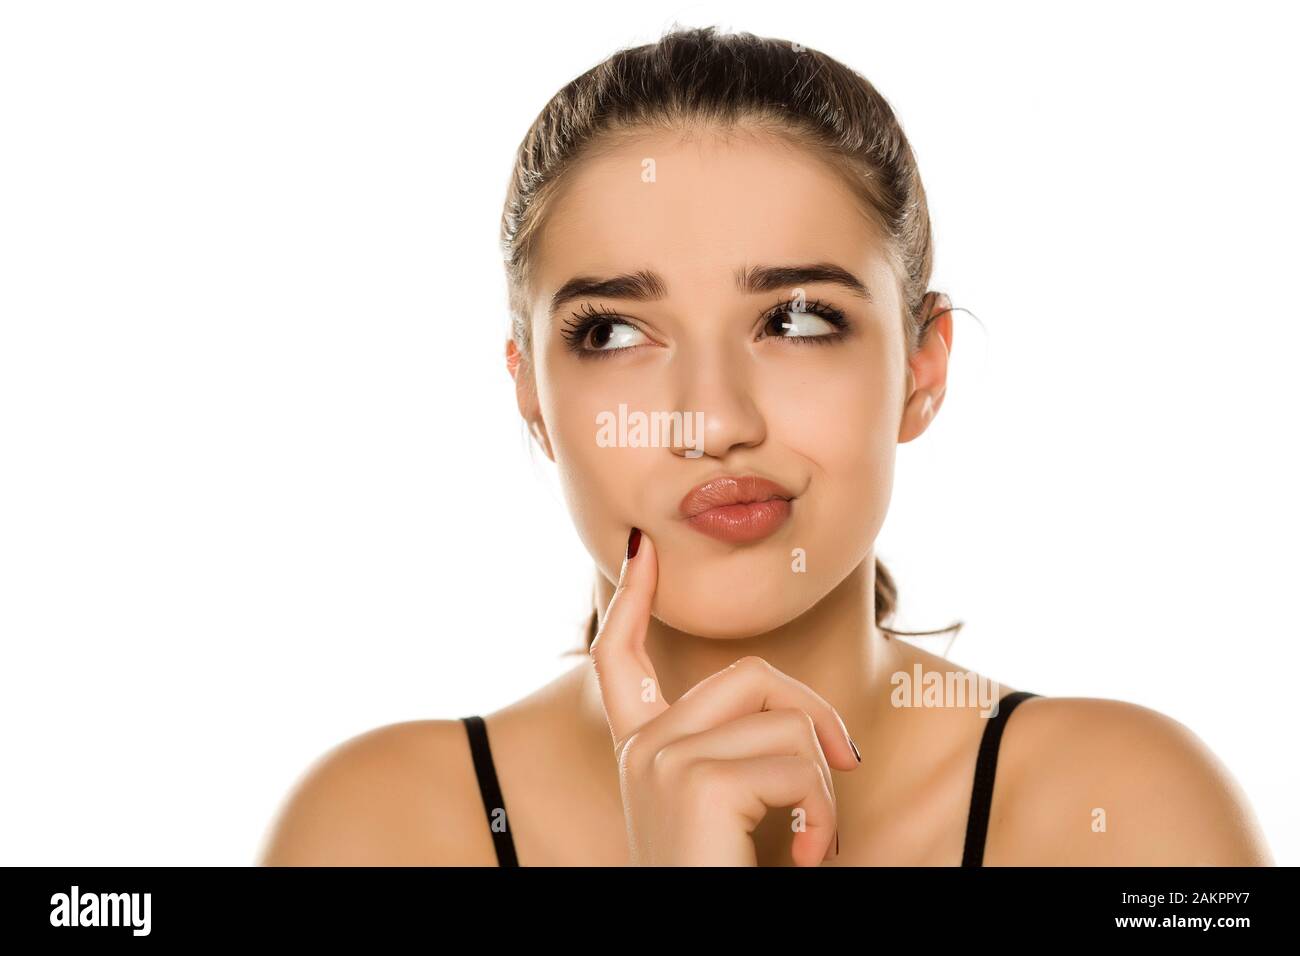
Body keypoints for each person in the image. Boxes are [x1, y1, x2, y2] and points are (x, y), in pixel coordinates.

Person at [259, 25, 1273, 866]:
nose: (712, 420)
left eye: (794, 321)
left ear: (922, 367)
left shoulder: (1128, 812)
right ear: (531, 392)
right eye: (613, 331)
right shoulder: (377, 829)